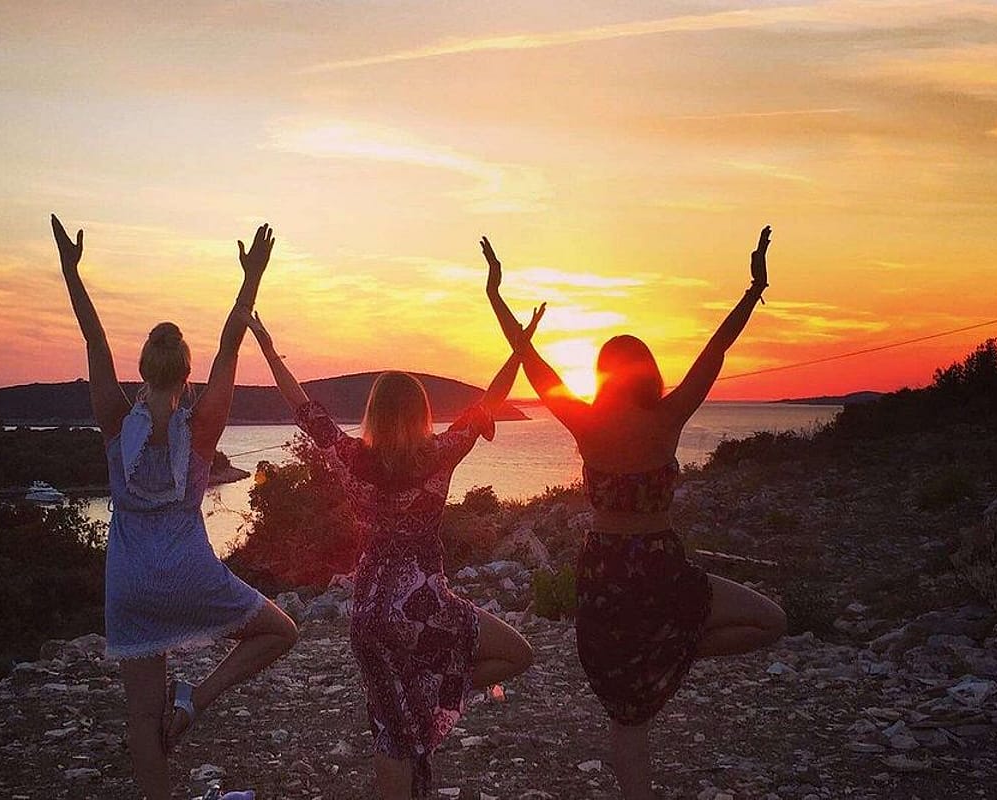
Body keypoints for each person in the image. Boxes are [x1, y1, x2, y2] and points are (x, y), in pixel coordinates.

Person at [484, 227, 787, 799]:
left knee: (628, 716)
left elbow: (528, 359)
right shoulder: (667, 417)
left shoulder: (585, 421)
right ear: (647, 372)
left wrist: (496, 294)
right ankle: (672, 651)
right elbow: (714, 352)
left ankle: (668, 657)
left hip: (605, 573)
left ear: (603, 374)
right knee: (769, 621)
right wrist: (753, 290)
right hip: (658, 570)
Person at [243, 309, 540, 799]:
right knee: (517, 653)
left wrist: (270, 349)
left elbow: (303, 407)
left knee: (389, 726)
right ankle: (431, 697)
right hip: (425, 606)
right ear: (421, 414)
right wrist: (519, 348)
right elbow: (490, 399)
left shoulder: (351, 457)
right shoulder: (439, 453)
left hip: (368, 614)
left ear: (374, 415)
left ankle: (421, 705)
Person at [52, 215, 298, 800]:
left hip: (130, 581)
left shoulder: (117, 425)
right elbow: (231, 343)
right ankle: (194, 700)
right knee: (279, 631)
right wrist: (252, 277)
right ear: (188, 375)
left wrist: (71, 271)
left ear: (143, 371)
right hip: (189, 570)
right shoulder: (202, 427)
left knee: (141, 717)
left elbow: (94, 342)